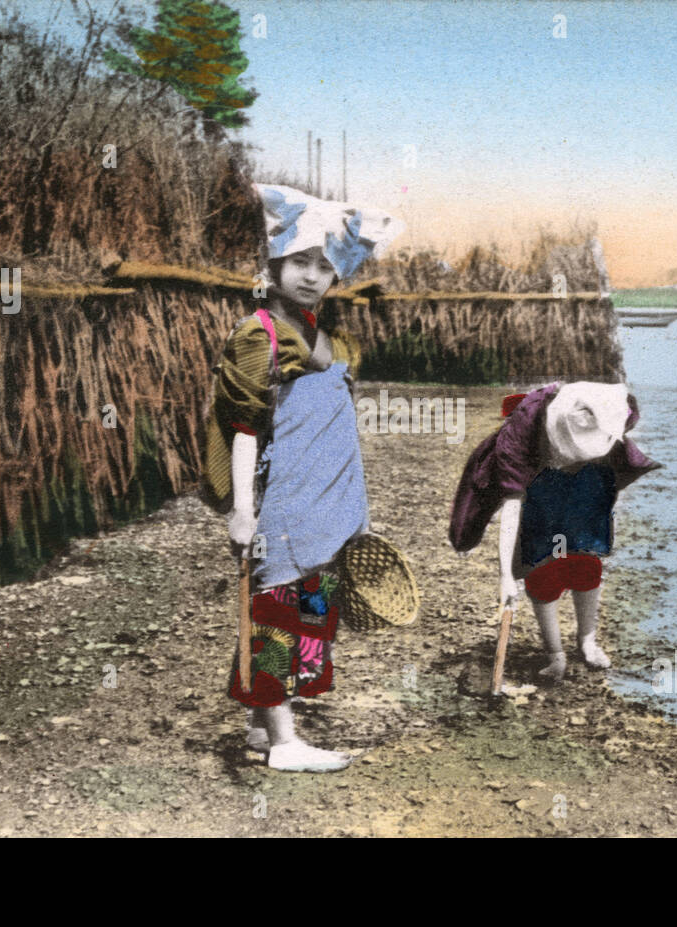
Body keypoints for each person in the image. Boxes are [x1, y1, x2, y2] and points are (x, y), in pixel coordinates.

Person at [199, 183, 404, 771]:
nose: (311, 276)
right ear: (275, 265)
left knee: (313, 607)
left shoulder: (334, 342)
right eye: (299, 263)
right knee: (277, 613)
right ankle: (285, 743)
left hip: (331, 502)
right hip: (284, 503)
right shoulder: (257, 335)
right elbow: (243, 427)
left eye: (323, 266)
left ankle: (261, 725)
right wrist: (243, 509)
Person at [449, 382, 661, 681]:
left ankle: (587, 641)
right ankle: (555, 655)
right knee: (540, 562)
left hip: (588, 478)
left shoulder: (614, 408)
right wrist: (506, 578)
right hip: (537, 480)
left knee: (587, 554)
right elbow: (512, 506)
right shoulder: (522, 431)